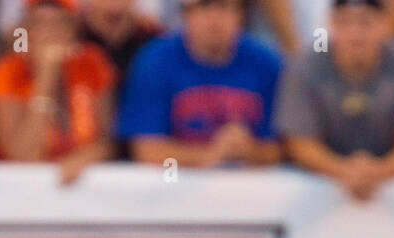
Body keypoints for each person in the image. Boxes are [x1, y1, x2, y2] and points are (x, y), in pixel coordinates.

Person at [276, 0, 394, 199]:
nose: (356, 34)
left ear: (385, 25)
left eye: (365, 23)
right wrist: (344, 171)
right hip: (324, 184)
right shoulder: (305, 66)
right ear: (331, 24)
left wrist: (377, 172)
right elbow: (300, 145)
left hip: (390, 183)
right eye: (345, 22)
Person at [119, 0, 282, 168]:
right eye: (203, 6)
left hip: (247, 185)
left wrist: (250, 150)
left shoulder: (267, 63)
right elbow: (147, 151)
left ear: (241, 14)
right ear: (185, 14)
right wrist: (210, 155)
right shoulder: (154, 61)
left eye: (224, 7)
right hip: (177, 184)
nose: (214, 19)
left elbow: (283, 148)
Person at [0, 0, 116, 183]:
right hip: (20, 190)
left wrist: (84, 158)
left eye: (59, 23)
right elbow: (23, 155)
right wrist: (47, 75)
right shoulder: (6, 73)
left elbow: (108, 142)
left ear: (73, 31)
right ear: (26, 32)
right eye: (40, 23)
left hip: (80, 185)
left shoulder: (93, 64)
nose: (49, 32)